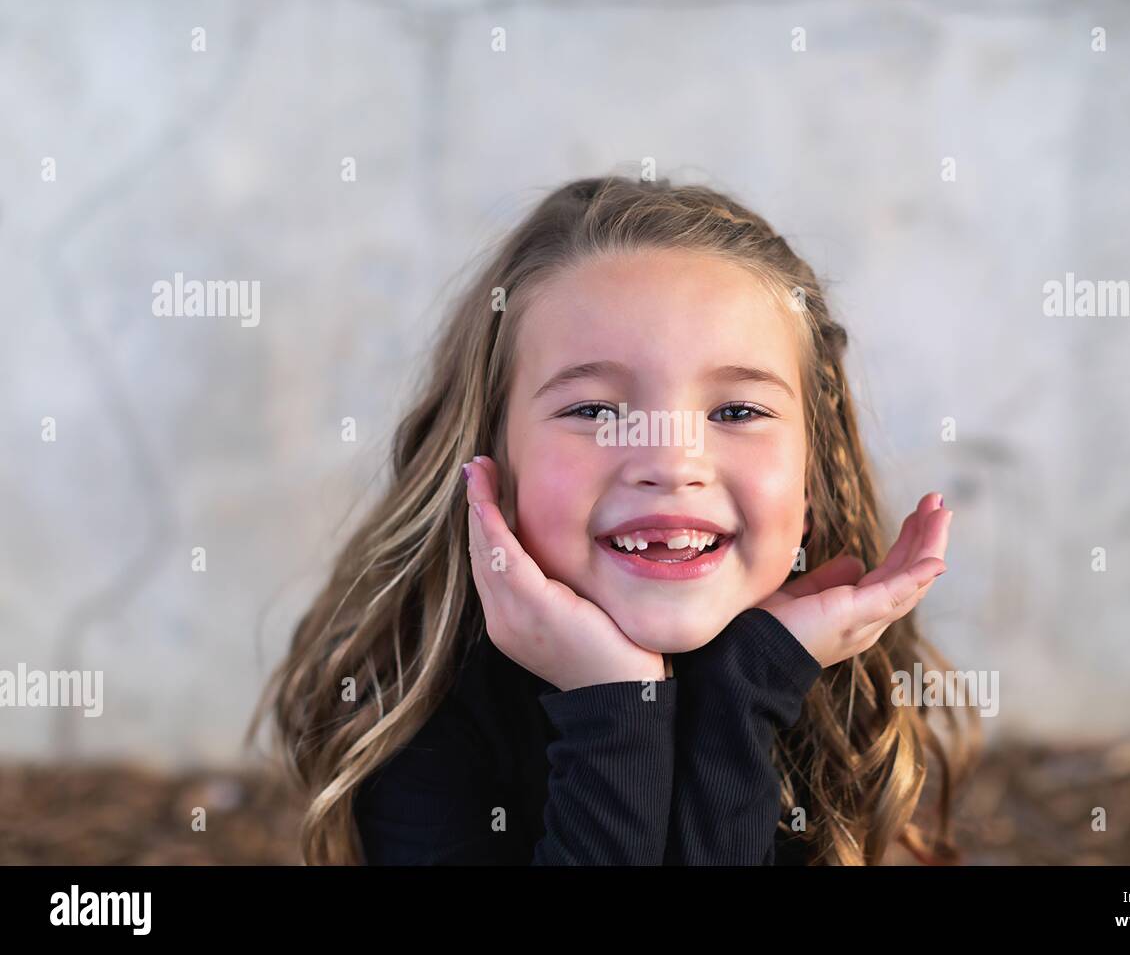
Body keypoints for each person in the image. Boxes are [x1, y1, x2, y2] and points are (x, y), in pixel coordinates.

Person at [249, 175, 974, 865]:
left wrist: (738, 701)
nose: (670, 461)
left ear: (812, 475)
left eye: (736, 412)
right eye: (596, 411)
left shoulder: (825, 689)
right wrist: (615, 711)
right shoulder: (414, 704)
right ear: (487, 458)